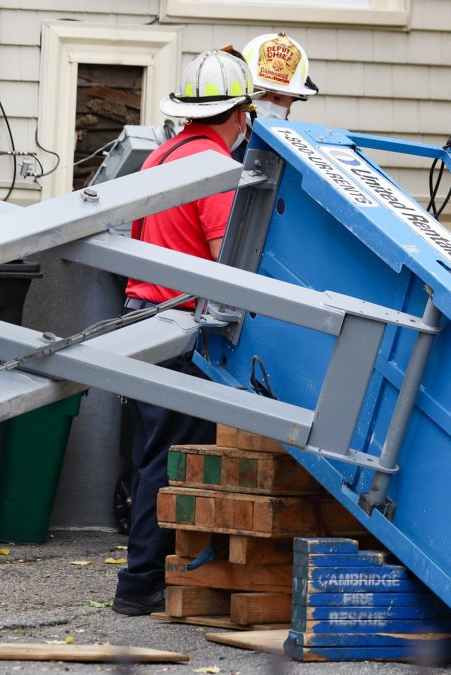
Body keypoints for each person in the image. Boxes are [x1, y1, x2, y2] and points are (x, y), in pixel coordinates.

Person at [112, 48, 262, 616]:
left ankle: (147, 578)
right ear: (240, 114)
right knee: (176, 459)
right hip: (176, 325)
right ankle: (144, 582)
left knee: (153, 453)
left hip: (141, 314)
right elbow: (226, 262)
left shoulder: (163, 155)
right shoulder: (213, 169)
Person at [229, 32, 320, 158]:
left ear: (290, 106)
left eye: (278, 98)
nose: (268, 106)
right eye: (260, 94)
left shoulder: (294, 155)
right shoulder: (224, 144)